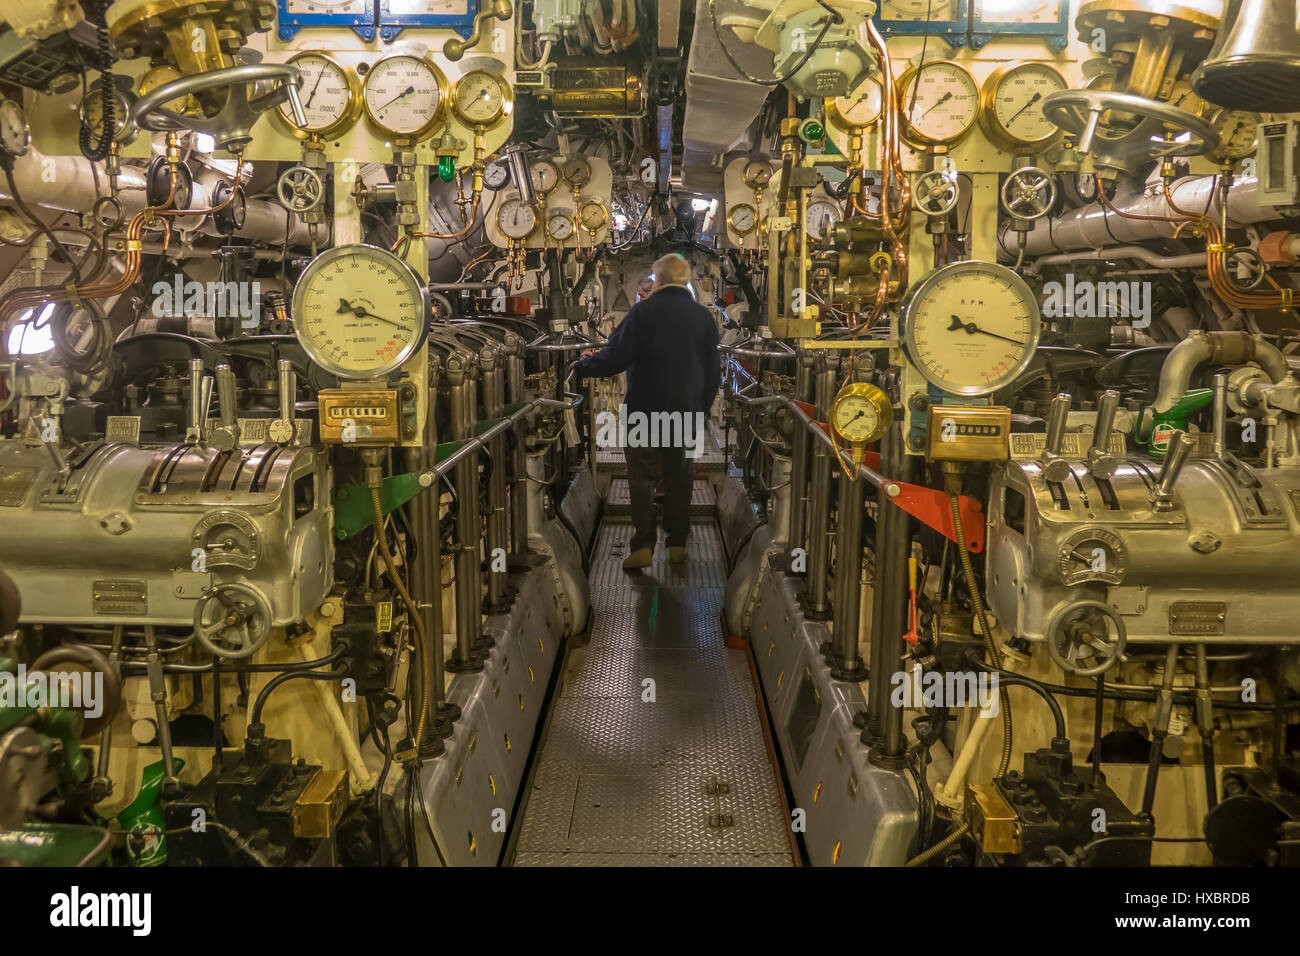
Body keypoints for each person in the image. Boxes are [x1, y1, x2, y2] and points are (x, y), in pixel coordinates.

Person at [575, 253, 721, 570]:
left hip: (644, 408)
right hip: (685, 412)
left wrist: (583, 367)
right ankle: (677, 544)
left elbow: (617, 356)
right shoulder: (702, 318)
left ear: (661, 280)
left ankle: (643, 544)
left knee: (641, 476)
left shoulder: (643, 313)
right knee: (679, 476)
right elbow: (713, 372)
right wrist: (702, 410)